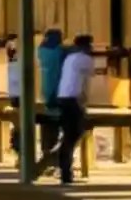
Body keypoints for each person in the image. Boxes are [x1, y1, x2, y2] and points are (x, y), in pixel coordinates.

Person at [55, 34, 94, 185]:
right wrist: (85, 104)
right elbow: (88, 84)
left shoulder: (70, 58)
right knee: (73, 135)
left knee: (68, 135)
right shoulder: (86, 60)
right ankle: (65, 171)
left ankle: (65, 169)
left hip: (63, 97)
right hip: (73, 99)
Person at [36, 29, 66, 159]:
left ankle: (46, 153)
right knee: (60, 126)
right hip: (58, 95)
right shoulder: (61, 52)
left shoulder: (40, 51)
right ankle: (53, 157)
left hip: (42, 96)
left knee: (46, 125)